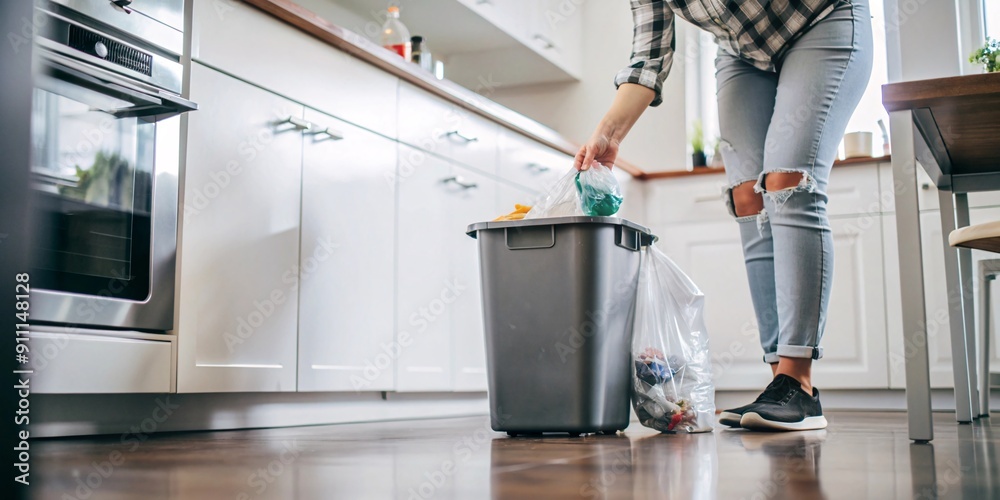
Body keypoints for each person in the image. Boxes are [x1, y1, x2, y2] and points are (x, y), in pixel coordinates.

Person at [576, 0, 872, 431]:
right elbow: (648, 56)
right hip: (743, 53)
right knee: (747, 198)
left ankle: (799, 381)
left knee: (789, 181)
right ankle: (781, 385)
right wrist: (607, 133)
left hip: (822, 20)